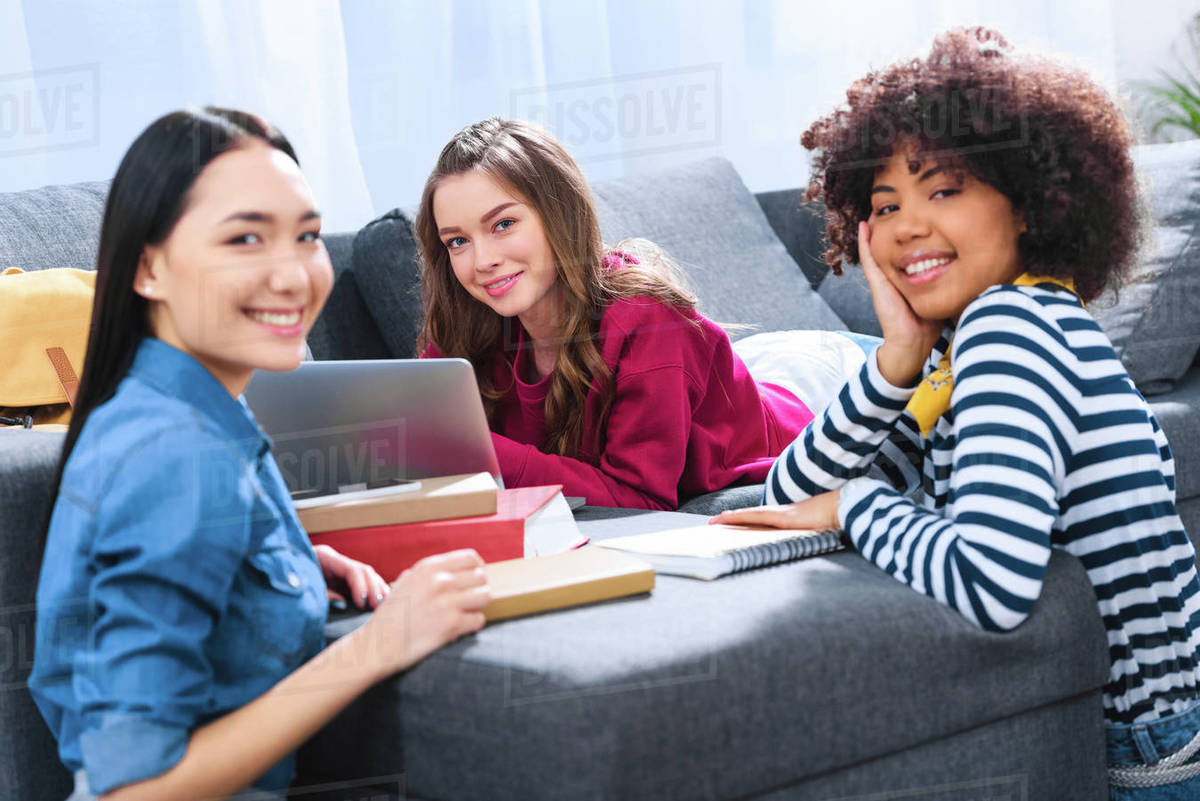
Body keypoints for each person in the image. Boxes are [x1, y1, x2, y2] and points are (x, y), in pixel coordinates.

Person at [713, 28, 1200, 797]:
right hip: (1151, 726)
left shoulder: (1011, 331)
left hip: (1150, 750)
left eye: (944, 190)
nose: (908, 226)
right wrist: (894, 359)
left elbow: (991, 579)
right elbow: (787, 497)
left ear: (1030, 203)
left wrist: (856, 505)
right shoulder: (973, 345)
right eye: (885, 205)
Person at [30, 108, 490, 801]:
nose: (293, 274)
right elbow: (134, 788)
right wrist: (380, 644)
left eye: (305, 236)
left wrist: (284, 558)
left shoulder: (189, 410)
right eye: (246, 237)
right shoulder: (175, 456)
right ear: (149, 268)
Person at [414, 117, 821, 511]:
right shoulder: (467, 326)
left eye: (503, 224)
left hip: (811, 385)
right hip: (742, 371)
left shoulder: (647, 317)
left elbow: (641, 501)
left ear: (560, 213)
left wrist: (482, 452)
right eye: (458, 241)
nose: (482, 260)